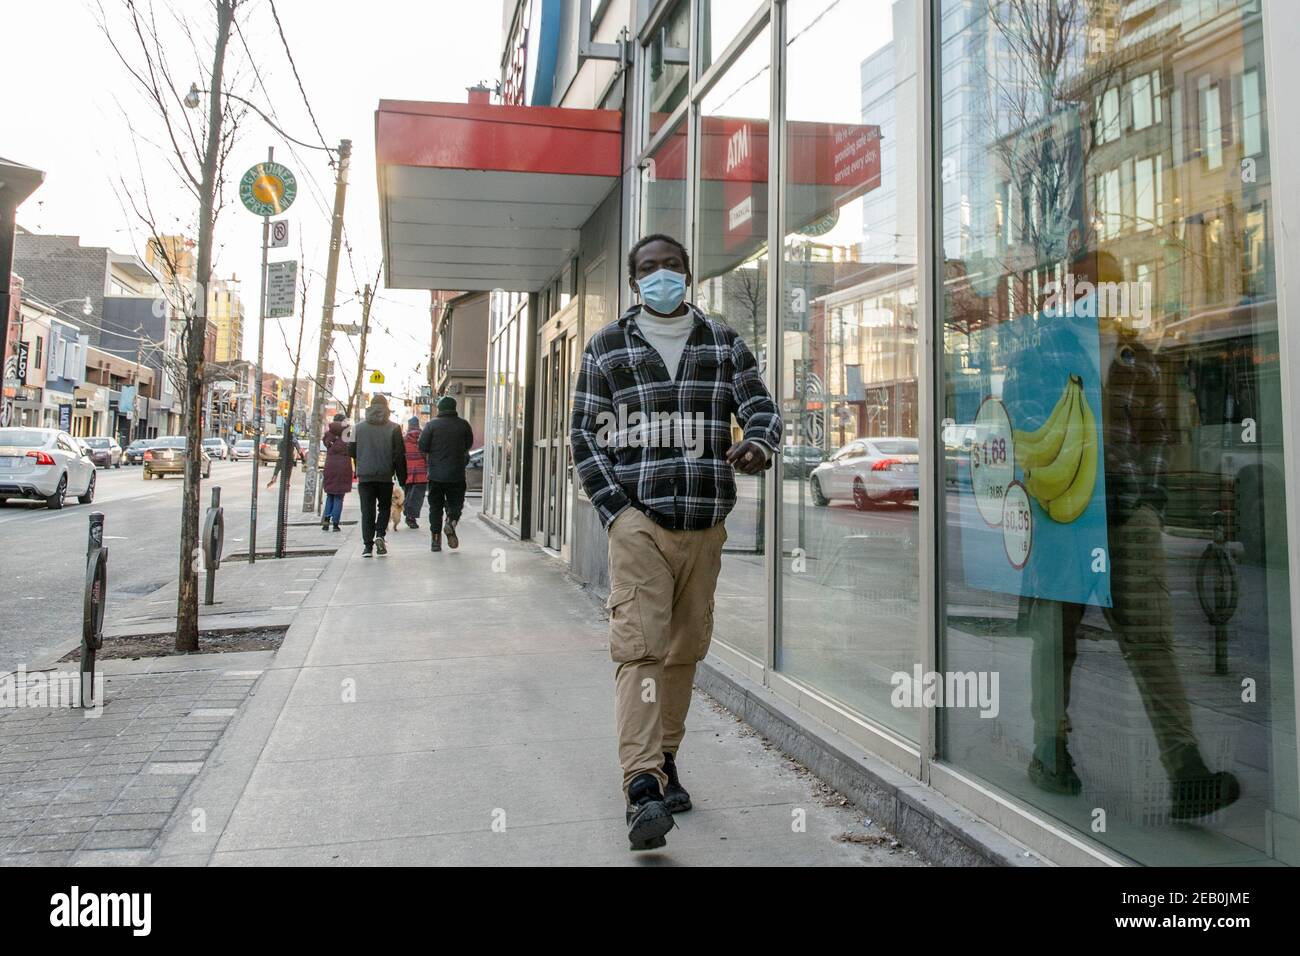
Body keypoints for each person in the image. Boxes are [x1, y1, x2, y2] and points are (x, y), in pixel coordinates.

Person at [569, 233, 781, 851]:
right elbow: (585, 436)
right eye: (648, 269)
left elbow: (761, 409)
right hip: (639, 522)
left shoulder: (722, 341)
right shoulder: (609, 345)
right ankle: (641, 786)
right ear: (634, 282)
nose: (661, 276)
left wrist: (757, 444)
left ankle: (665, 758)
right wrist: (617, 512)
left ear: (689, 274)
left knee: (684, 650)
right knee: (640, 648)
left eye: (672, 266)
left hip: (706, 523)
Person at [1020, 250, 1240, 820]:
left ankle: (1185, 768)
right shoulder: (1042, 355)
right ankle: (1050, 750)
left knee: (1153, 642)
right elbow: (1021, 430)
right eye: (1090, 289)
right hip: (1062, 520)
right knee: (1055, 642)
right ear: (1070, 294)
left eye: (1109, 289)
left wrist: (1150, 504)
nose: (1099, 299)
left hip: (1127, 517)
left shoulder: (1138, 360)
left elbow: (1158, 437)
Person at [348, 395, 406, 557]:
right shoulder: (394, 428)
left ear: (370, 407)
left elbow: (350, 451)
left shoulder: (357, 428)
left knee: (367, 510)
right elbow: (399, 455)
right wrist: (402, 478)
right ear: (386, 408)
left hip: (365, 476)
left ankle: (367, 547)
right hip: (385, 475)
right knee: (385, 507)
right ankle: (380, 534)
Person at [418, 395, 474, 552]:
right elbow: (468, 444)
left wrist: (431, 459)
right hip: (456, 474)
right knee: (456, 503)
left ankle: (435, 540)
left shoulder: (431, 426)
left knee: (435, 507)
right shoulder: (463, 425)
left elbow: (422, 446)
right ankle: (451, 521)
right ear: (454, 408)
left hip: (435, 475)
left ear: (440, 408)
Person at [321, 413, 352, 532]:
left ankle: (326, 520)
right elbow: (353, 450)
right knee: (339, 496)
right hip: (344, 467)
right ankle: (335, 524)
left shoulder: (328, 434)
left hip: (330, 467)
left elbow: (326, 444)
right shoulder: (348, 434)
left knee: (330, 495)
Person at [402, 416, 428, 529]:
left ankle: (407, 513)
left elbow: (399, 456)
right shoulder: (424, 438)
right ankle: (411, 517)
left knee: (408, 494)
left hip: (407, 472)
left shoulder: (404, 440)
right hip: (422, 472)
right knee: (417, 496)